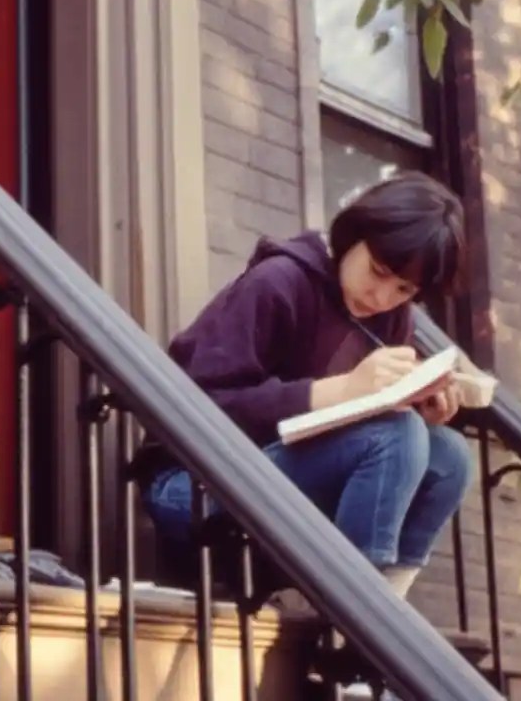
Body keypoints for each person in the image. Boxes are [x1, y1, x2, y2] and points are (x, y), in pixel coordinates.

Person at [142, 171, 474, 600]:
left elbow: (362, 432)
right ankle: (356, 614)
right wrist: (343, 390)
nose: (381, 296)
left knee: (449, 455)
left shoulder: (393, 318)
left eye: (403, 289)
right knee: (397, 435)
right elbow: (199, 406)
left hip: (287, 487)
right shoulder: (278, 282)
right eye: (377, 271)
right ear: (355, 234)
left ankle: (385, 608)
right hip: (193, 483)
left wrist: (414, 404)